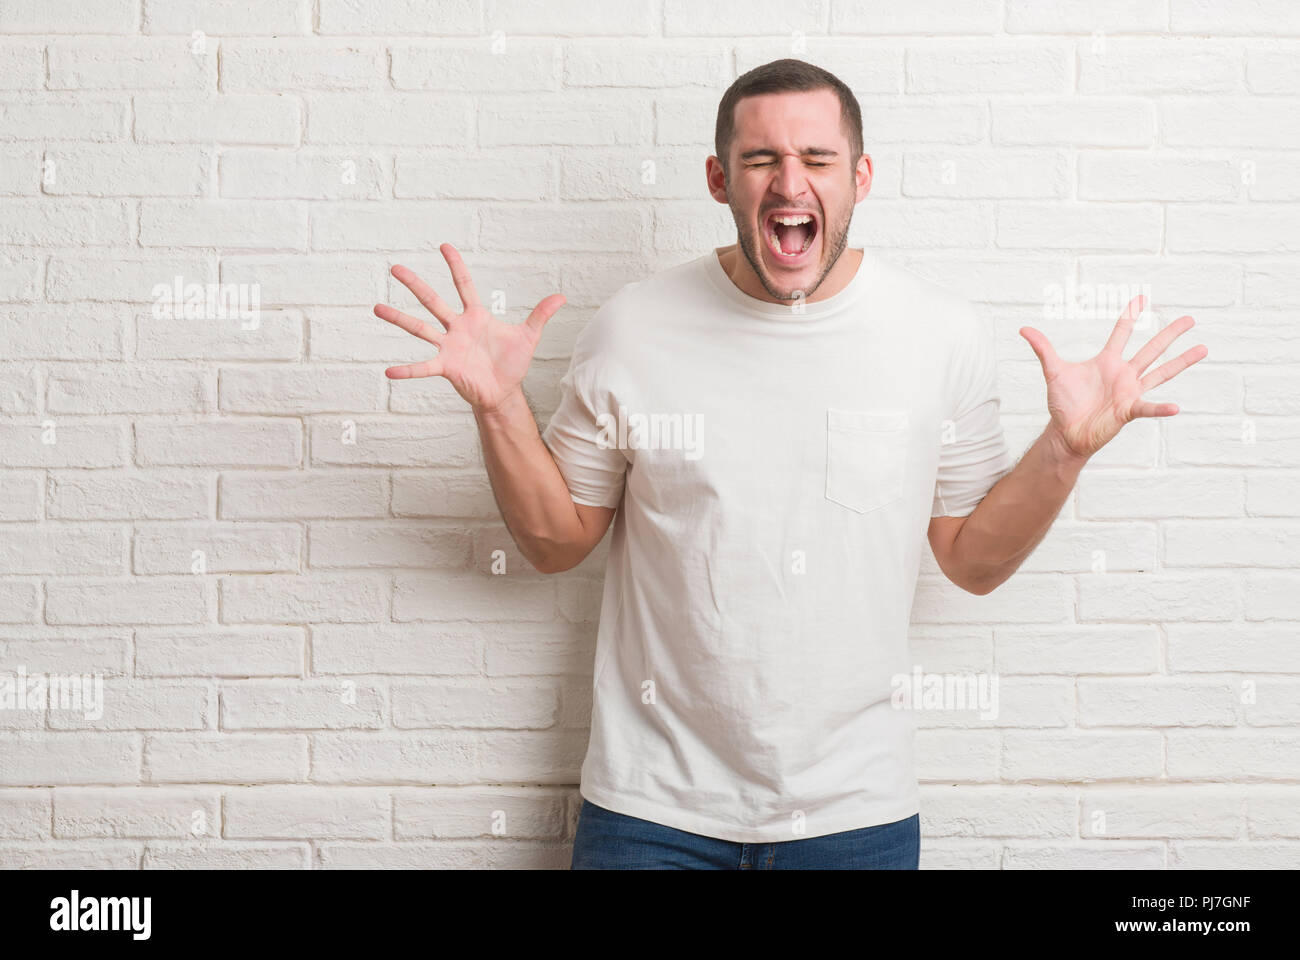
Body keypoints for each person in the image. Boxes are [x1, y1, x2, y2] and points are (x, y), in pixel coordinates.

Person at [372, 59, 1207, 870]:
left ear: (862, 176)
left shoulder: (938, 334)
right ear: (718, 178)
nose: (789, 182)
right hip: (650, 811)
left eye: (817, 158)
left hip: (857, 816)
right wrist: (497, 407)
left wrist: (1062, 452)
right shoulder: (632, 328)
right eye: (761, 158)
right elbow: (557, 543)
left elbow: (973, 561)